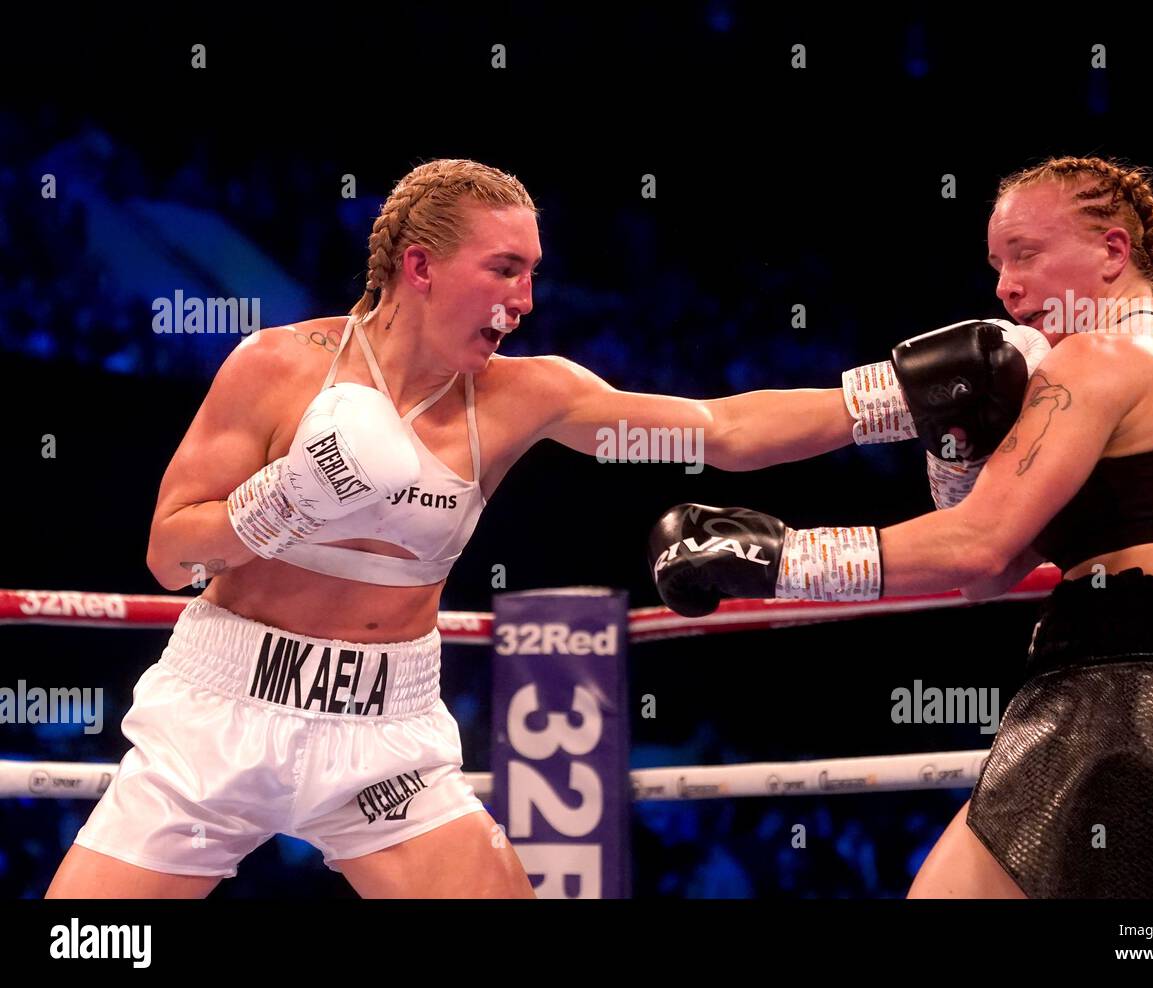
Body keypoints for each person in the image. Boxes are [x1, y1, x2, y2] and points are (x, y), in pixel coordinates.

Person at [47, 156, 946, 899]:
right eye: (504, 269)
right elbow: (170, 554)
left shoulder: (525, 394)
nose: (524, 300)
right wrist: (283, 500)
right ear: (420, 265)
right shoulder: (277, 365)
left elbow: (726, 433)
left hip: (383, 732)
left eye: (532, 275)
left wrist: (896, 400)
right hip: (221, 711)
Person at [649, 156, 1153, 898]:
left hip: (1126, 714)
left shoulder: (1100, 355)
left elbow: (974, 544)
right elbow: (987, 576)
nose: (1004, 286)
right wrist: (952, 451)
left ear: (1112, 252)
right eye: (996, 263)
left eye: (1026, 253)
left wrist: (773, 558)